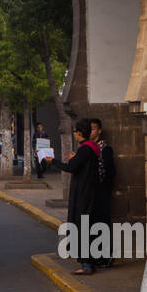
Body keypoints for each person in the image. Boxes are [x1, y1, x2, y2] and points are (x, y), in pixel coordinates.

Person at [45, 118, 103, 275]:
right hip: (89, 191)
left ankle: (86, 265)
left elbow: (71, 167)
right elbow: (78, 165)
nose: (74, 134)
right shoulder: (92, 148)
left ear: (79, 133)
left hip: (83, 194)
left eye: (75, 132)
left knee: (82, 226)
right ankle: (89, 262)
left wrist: (53, 162)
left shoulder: (85, 149)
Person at [89, 118, 117, 269]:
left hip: (101, 192)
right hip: (93, 192)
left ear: (99, 131)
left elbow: (110, 171)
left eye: (93, 129)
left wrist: (103, 188)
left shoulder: (104, 148)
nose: (91, 132)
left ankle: (105, 256)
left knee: (102, 223)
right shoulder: (88, 147)